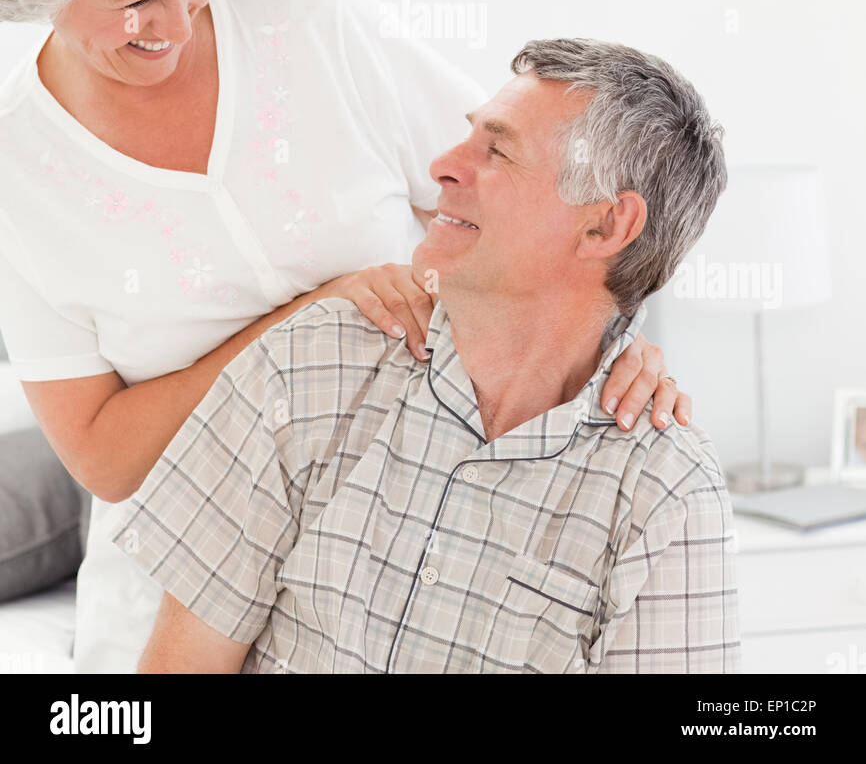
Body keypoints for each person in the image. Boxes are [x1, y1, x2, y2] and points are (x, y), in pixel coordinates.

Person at [0, 0, 685, 673]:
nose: (175, 25)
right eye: (135, 3)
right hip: (171, 604)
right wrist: (314, 321)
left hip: (396, 573)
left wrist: (612, 337)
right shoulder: (20, 168)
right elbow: (103, 456)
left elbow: (524, 203)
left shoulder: (311, 17)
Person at [115, 36, 740, 674]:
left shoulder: (666, 493)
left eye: (497, 150)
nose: (442, 164)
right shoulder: (314, 363)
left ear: (605, 226)